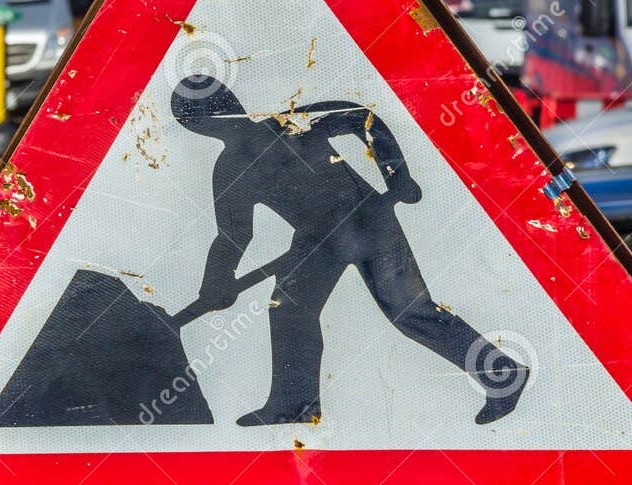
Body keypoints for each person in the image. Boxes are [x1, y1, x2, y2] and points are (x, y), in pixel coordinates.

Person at [171, 75, 529, 427]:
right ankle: (294, 404)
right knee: (290, 312)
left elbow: (361, 115)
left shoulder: (290, 124)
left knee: (410, 311)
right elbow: (233, 234)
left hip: (368, 221)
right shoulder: (232, 168)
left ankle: (501, 372)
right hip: (315, 242)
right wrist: (215, 282)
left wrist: (397, 175)